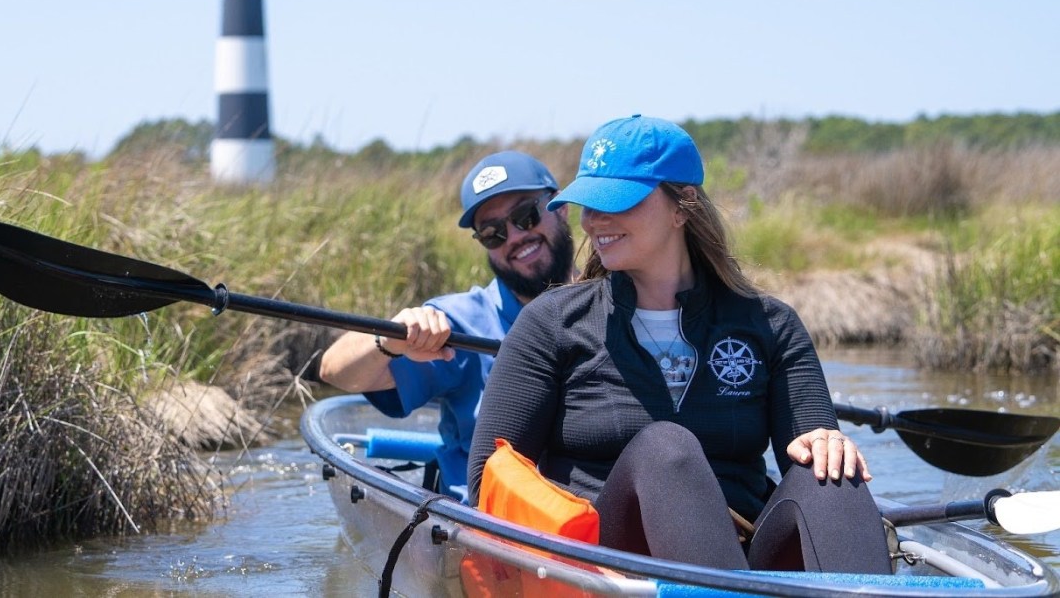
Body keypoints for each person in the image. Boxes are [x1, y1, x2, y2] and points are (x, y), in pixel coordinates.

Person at [467, 116, 892, 573]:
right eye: (588, 204)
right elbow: (486, 477)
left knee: (830, 470)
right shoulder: (550, 324)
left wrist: (826, 441)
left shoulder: (771, 325)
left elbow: (811, 454)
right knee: (665, 448)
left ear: (682, 206)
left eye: (616, 203)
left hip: (742, 552)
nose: (594, 222)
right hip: (602, 563)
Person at [318, 150, 577, 502]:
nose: (515, 237)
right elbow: (335, 369)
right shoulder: (461, 323)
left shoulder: (613, 303)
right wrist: (391, 338)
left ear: (560, 208)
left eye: (526, 215)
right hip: (488, 528)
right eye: (492, 232)